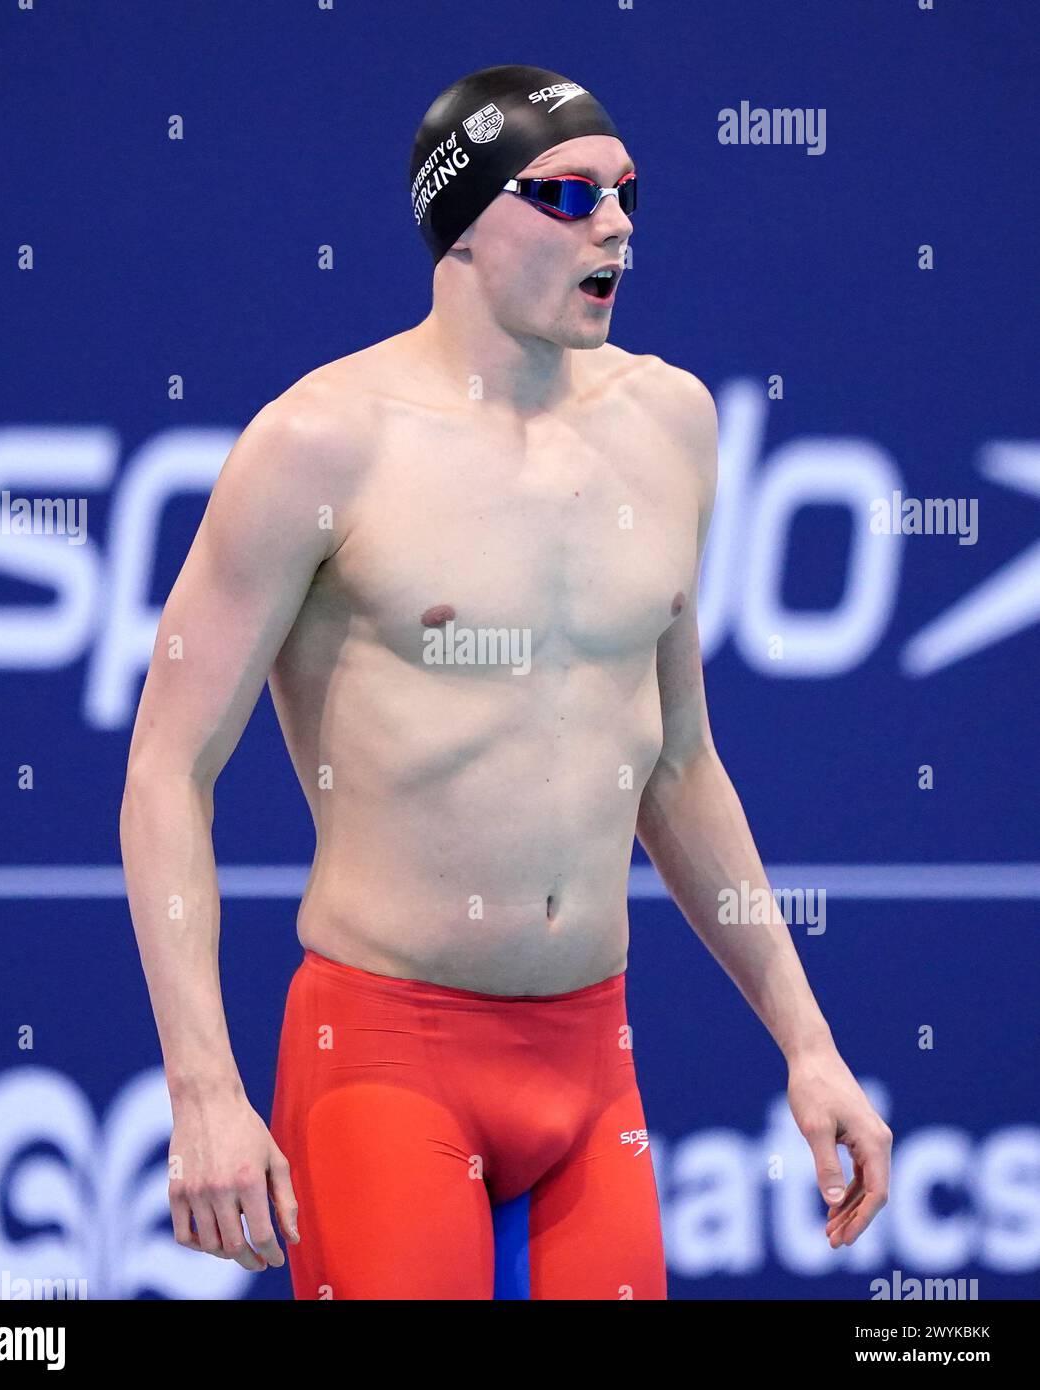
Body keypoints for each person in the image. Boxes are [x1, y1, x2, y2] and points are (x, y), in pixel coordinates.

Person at [120, 64, 892, 1300]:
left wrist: (810, 1043)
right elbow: (165, 770)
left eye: (627, 193)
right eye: (570, 193)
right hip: (380, 1055)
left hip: (594, 1059)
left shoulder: (671, 422)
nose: (617, 225)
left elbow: (678, 764)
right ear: (464, 226)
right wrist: (201, 1089)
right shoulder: (324, 442)